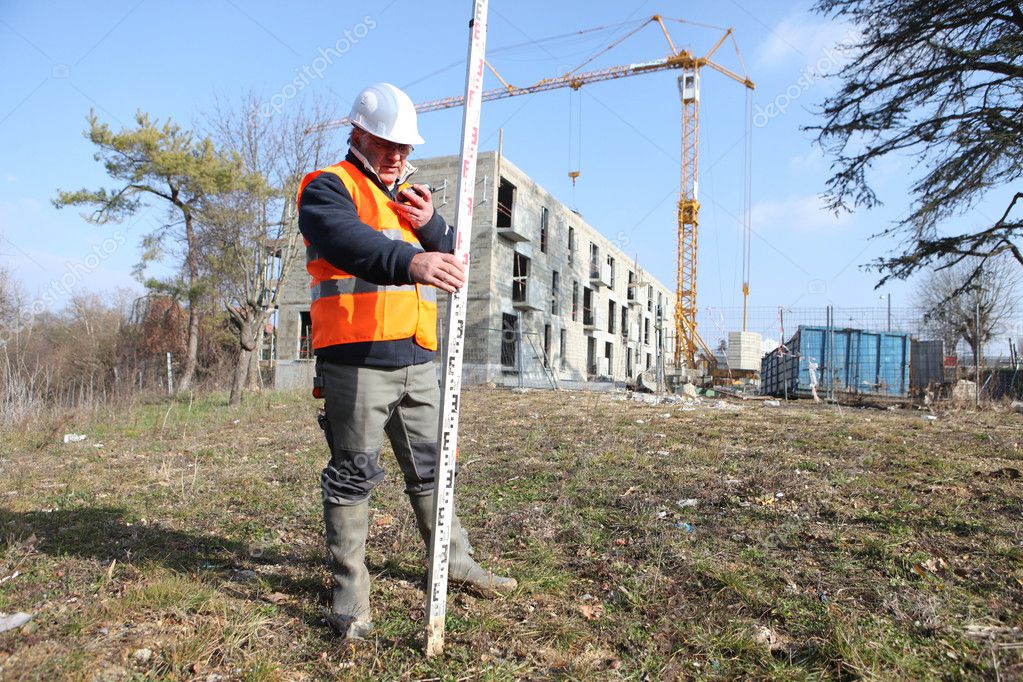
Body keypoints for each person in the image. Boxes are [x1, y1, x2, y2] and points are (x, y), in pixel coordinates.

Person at [296, 82, 516, 640]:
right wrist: (410, 260)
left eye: (404, 147)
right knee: (353, 474)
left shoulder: (410, 197)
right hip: (357, 360)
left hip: (419, 358)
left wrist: (432, 225)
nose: (397, 156)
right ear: (357, 134)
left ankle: (454, 562)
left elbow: (449, 259)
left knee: (434, 466)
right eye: (384, 143)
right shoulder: (327, 188)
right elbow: (346, 241)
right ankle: (350, 595)